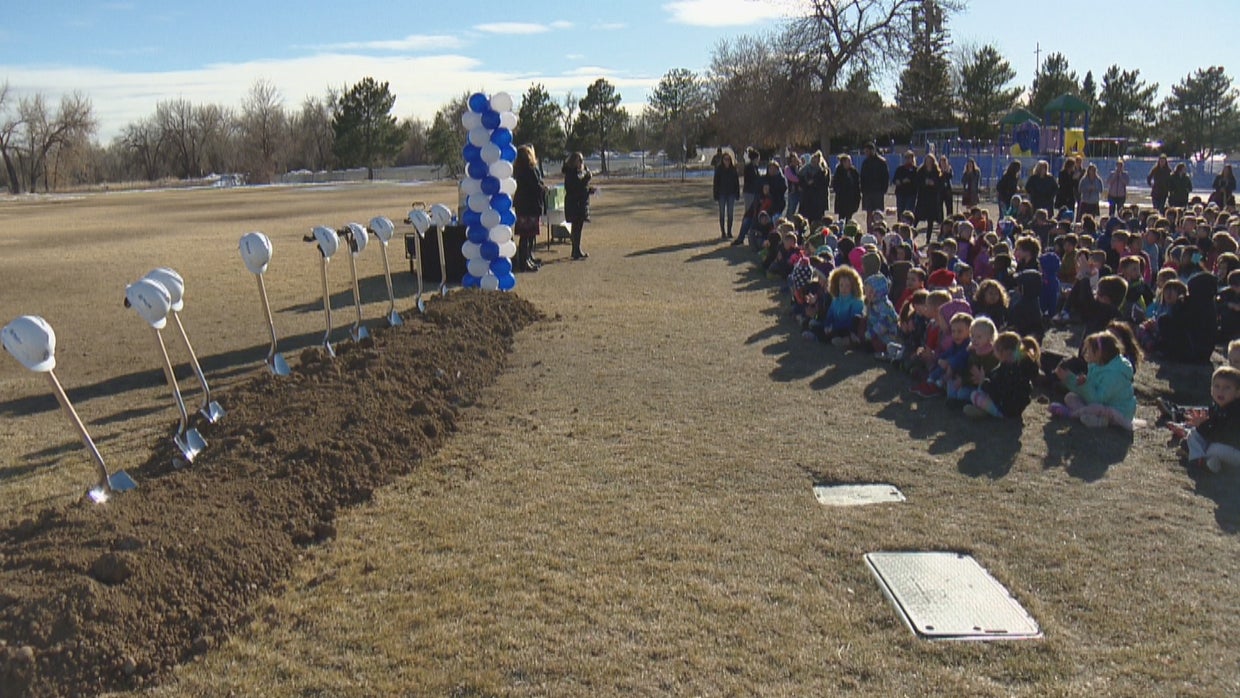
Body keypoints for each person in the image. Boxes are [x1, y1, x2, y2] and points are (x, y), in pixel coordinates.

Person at [1050, 330, 1139, 430]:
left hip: (1119, 412)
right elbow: (1089, 391)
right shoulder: (1096, 365)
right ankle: (1084, 414)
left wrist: (1084, 385)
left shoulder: (1114, 375)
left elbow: (1097, 399)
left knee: (1095, 408)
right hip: (1100, 403)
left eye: (1089, 350)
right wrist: (1069, 379)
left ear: (1099, 353)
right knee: (1070, 397)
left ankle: (1073, 414)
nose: (1086, 353)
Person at [1168, 366, 1240, 474]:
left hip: (1234, 450)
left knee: (1214, 449)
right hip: (1218, 444)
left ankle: (1203, 461)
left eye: (1227, 388)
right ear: (1211, 390)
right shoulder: (1215, 408)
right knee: (1193, 434)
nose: (1221, 391)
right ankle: (1200, 461)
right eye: (1217, 386)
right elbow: (1209, 430)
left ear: (1238, 393)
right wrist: (1199, 426)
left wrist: (1202, 426)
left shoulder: (1235, 412)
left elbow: (1223, 436)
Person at [512, 144, 547, 272]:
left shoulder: (520, 170)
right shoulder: (529, 170)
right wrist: (543, 188)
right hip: (529, 205)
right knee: (527, 235)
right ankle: (524, 262)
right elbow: (534, 186)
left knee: (527, 234)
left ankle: (527, 258)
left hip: (523, 204)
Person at [562, 151, 595, 260]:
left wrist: (589, 190)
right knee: (576, 227)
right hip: (574, 203)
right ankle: (575, 250)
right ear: (573, 161)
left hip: (580, 203)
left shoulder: (578, 172)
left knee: (578, 227)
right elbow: (574, 188)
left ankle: (577, 249)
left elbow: (581, 188)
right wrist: (586, 179)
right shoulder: (571, 173)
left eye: (582, 160)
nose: (581, 162)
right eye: (579, 160)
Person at [913, 155, 944, 241]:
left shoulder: (937, 172)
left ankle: (928, 238)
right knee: (917, 217)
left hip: (932, 198)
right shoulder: (921, 171)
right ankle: (911, 233)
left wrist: (933, 183)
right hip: (922, 198)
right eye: (927, 160)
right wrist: (924, 182)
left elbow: (940, 185)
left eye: (930, 161)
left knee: (930, 219)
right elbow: (917, 182)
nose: (928, 162)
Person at [712, 150, 740, 240]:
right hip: (722, 194)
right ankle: (723, 232)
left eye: (728, 159)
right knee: (722, 214)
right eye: (725, 159)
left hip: (731, 194)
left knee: (730, 214)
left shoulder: (733, 170)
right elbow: (716, 183)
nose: (727, 161)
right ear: (722, 160)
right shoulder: (719, 170)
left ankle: (729, 232)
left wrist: (737, 193)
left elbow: (736, 182)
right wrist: (715, 194)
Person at [797, 151, 831, 225]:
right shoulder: (805, 170)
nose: (815, 160)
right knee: (808, 219)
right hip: (807, 199)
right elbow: (800, 182)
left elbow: (826, 184)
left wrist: (814, 182)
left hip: (819, 199)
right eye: (814, 158)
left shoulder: (824, 170)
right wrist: (807, 183)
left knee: (819, 220)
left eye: (817, 158)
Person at [860, 143, 889, 216]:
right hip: (867, 192)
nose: (865, 153)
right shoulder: (865, 163)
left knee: (878, 213)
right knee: (869, 213)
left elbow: (885, 177)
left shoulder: (881, 162)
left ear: (872, 150)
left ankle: (878, 227)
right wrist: (863, 189)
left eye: (867, 151)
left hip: (878, 192)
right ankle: (869, 227)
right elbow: (862, 177)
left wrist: (884, 189)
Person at [832, 153, 862, 224]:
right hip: (842, 199)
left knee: (849, 217)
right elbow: (835, 185)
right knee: (841, 218)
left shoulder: (853, 172)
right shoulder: (838, 172)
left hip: (851, 199)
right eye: (848, 161)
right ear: (843, 162)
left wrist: (858, 196)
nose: (850, 163)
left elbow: (857, 184)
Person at [892, 151, 918, 218]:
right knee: (900, 211)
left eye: (909, 157)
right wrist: (900, 181)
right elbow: (894, 180)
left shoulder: (915, 170)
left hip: (911, 194)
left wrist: (909, 181)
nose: (907, 159)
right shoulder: (900, 169)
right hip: (900, 193)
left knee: (909, 212)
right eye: (906, 157)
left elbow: (916, 181)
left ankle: (909, 225)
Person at [783, 153, 802, 218]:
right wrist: (801, 179)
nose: (795, 162)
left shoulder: (800, 168)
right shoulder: (788, 169)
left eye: (796, 159)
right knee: (791, 210)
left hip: (801, 192)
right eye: (793, 160)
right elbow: (793, 178)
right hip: (793, 192)